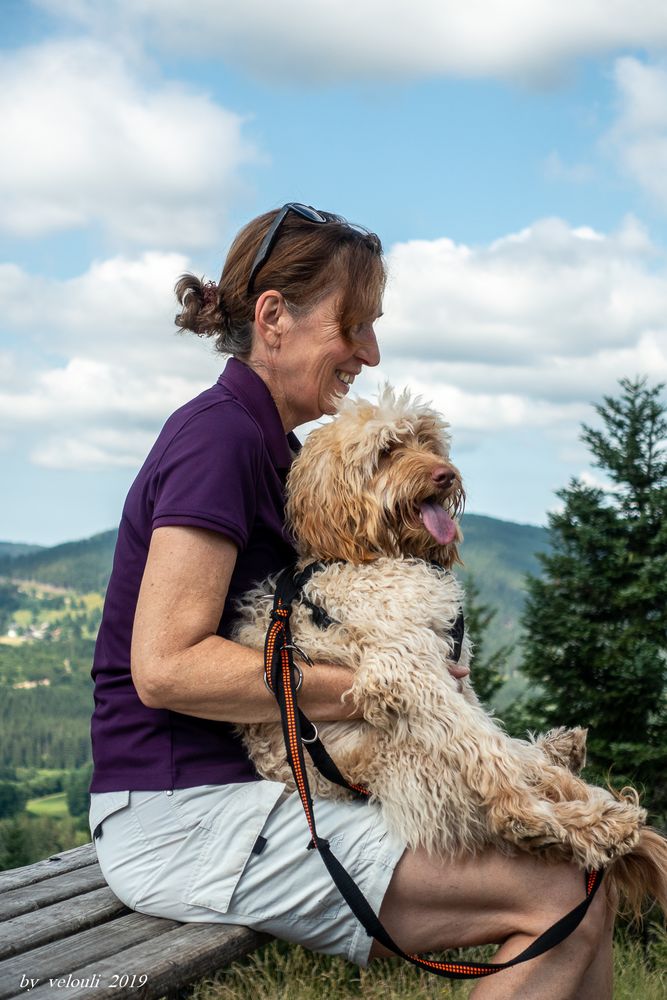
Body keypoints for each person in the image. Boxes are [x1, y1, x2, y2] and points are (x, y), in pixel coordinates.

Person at [89, 203, 614, 999]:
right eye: (353, 326)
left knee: (581, 873)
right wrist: (386, 692)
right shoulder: (219, 439)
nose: (368, 352)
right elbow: (165, 667)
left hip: (235, 796)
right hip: (178, 815)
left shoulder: (269, 446)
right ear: (274, 317)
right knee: (560, 893)